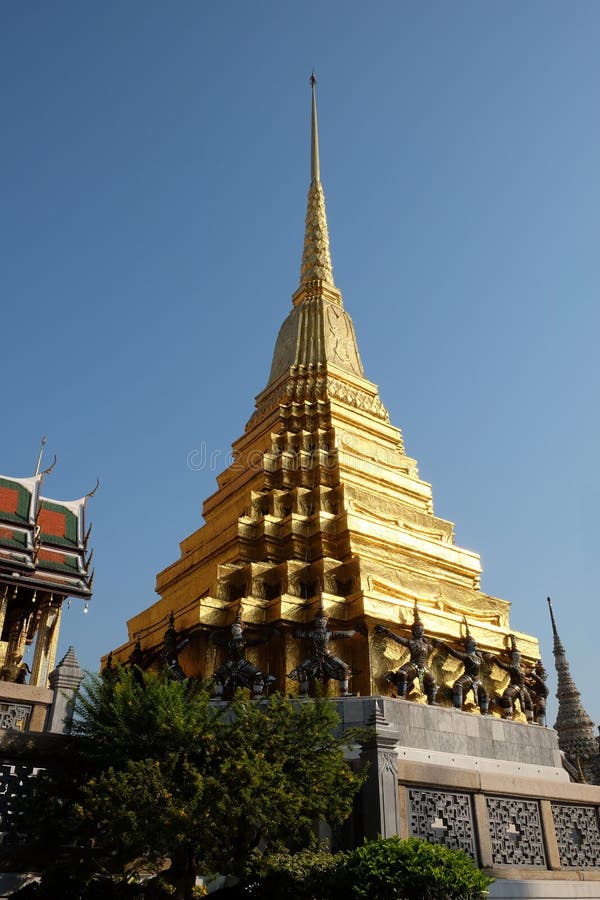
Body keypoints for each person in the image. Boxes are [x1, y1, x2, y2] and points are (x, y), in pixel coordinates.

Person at [288, 604, 363, 696]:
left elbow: (347, 634)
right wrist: (296, 620)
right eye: (318, 619)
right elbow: (298, 634)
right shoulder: (311, 634)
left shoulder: (330, 633)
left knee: (345, 668)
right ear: (315, 621)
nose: (320, 621)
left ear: (326, 621)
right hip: (314, 657)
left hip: (328, 656)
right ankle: (304, 693)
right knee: (300, 669)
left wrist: (355, 629)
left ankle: (344, 692)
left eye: (323, 619)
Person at [374, 605, 437, 705]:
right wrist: (387, 632)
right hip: (413, 665)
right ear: (414, 632)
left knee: (433, 681)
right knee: (402, 673)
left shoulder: (427, 646)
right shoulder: (411, 643)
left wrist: (437, 643)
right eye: (419, 630)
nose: (421, 631)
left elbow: (433, 646)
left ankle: (432, 700)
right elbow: (398, 639)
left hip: (423, 668)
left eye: (422, 630)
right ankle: (401, 694)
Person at [211, 608, 276, 699]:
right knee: (216, 676)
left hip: (242, 663)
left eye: (237, 627)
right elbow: (217, 641)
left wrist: (269, 634)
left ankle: (257, 695)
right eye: (233, 627)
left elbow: (258, 640)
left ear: (242, 629)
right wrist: (214, 633)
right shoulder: (229, 642)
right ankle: (217, 696)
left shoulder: (244, 641)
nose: (235, 629)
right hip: (230, 664)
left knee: (257, 675)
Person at [432, 620, 488, 713]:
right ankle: (458, 706)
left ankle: (484, 711)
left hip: (477, 679)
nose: (474, 645)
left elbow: (487, 669)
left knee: (485, 693)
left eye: (474, 643)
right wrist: (443, 644)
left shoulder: (479, 658)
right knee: (458, 684)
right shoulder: (466, 656)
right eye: (471, 643)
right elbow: (453, 652)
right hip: (468, 677)